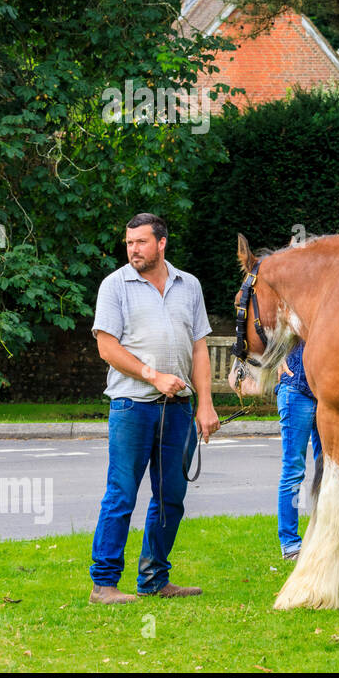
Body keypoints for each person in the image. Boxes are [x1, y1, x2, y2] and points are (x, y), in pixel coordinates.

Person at [88, 213, 219, 604]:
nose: (133, 250)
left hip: (178, 410)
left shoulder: (189, 285)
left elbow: (199, 347)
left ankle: (154, 578)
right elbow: (107, 348)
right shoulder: (115, 286)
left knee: (171, 497)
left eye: (141, 242)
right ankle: (104, 584)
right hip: (132, 406)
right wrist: (153, 375)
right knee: (121, 494)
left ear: (162, 243)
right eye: (129, 243)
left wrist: (205, 404)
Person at [276, 341, 322, 560]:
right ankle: (290, 544)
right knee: (294, 470)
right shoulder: (293, 307)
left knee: (329, 471)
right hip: (296, 389)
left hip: (326, 393)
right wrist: (275, 356)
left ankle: (322, 539)